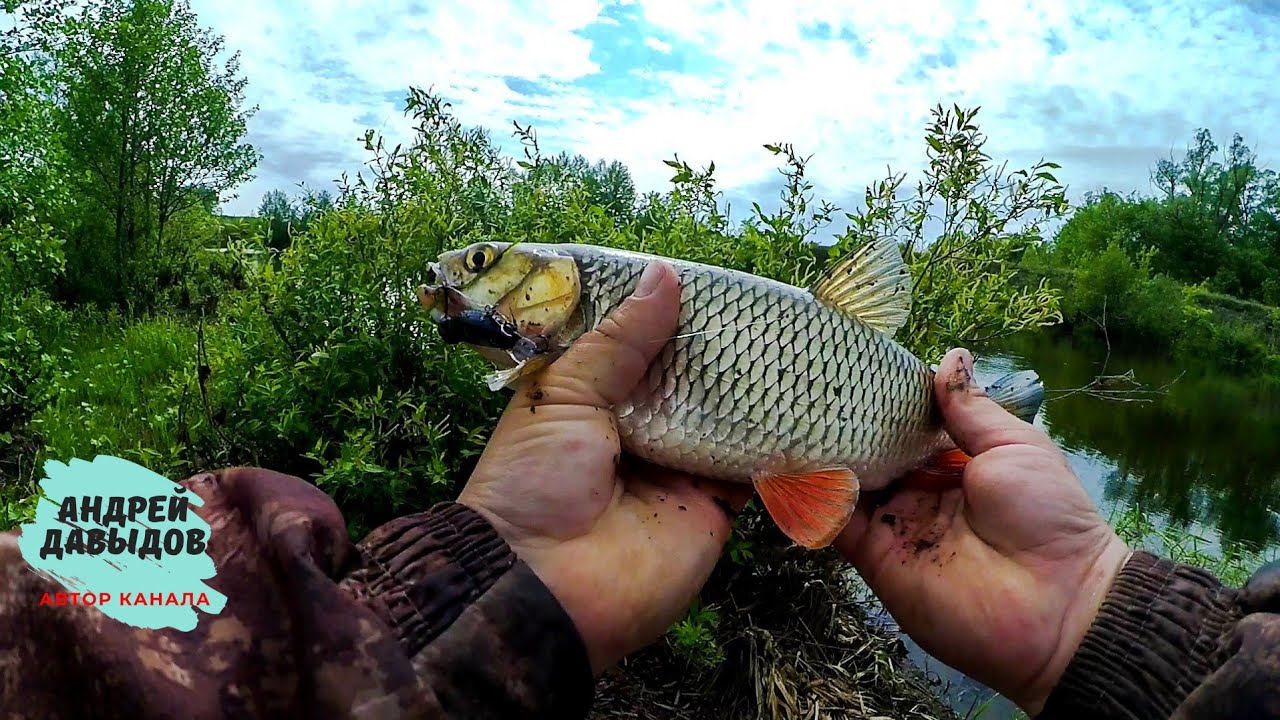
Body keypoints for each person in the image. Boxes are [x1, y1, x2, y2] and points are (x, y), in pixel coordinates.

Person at [0, 261, 1276, 719]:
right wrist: (1103, 624)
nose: (470, 278)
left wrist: (1091, 605)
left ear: (571, 285)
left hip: (862, 427)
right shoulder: (555, 342)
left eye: (495, 265)